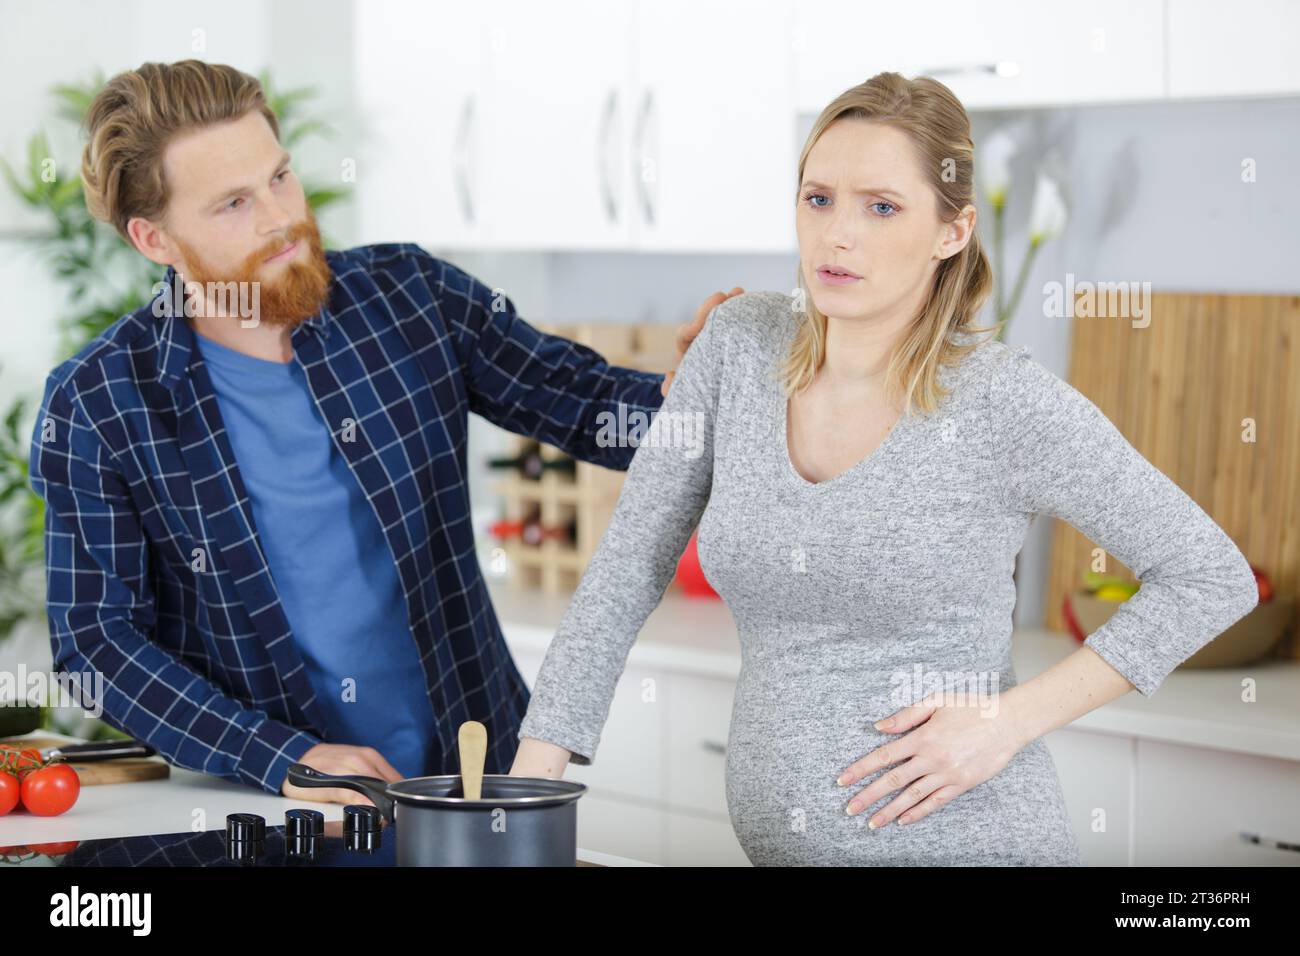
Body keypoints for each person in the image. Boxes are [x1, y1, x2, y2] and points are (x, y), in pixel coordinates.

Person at [510, 72, 1260, 865]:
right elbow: (627, 566)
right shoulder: (736, 347)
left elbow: (1211, 575)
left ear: (952, 230)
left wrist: (1007, 722)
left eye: (882, 206)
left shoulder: (1003, 400)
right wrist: (528, 788)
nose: (837, 235)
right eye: (818, 198)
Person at [27, 59, 738, 806]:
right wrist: (285, 759)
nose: (280, 217)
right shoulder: (98, 402)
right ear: (154, 238)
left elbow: (586, 404)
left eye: (280, 177)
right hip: (268, 808)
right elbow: (97, 646)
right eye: (234, 203)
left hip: (475, 784)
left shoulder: (409, 297)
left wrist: (687, 398)